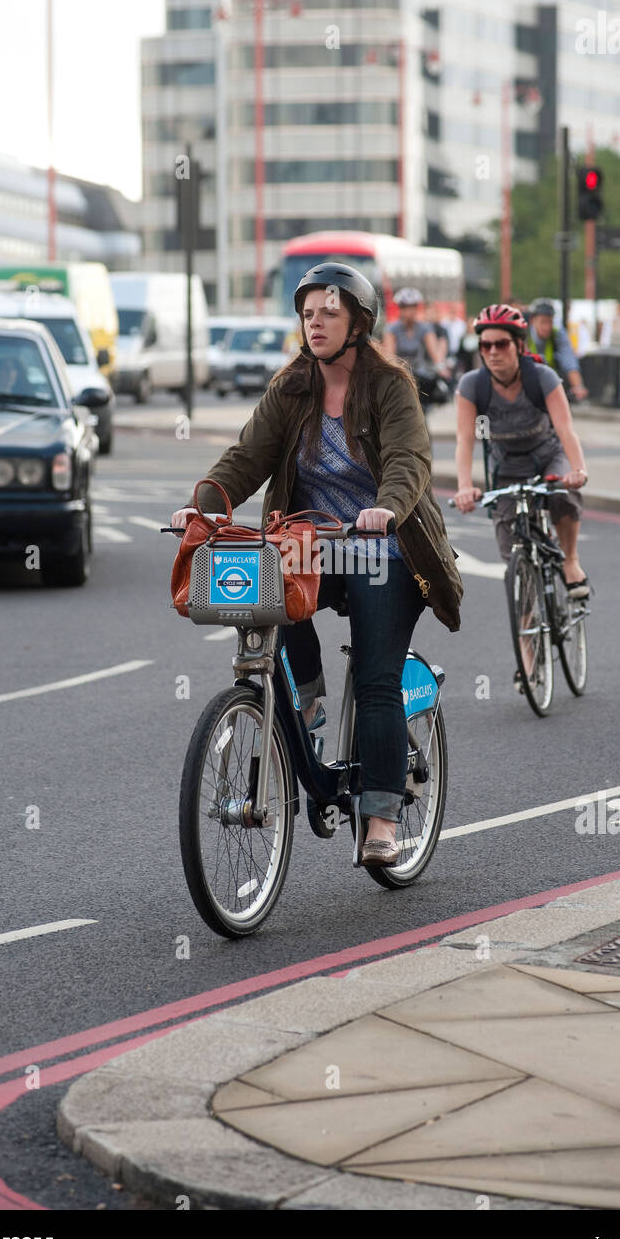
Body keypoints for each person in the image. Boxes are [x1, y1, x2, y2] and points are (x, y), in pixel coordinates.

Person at [170, 263, 462, 867]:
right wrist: (201, 507)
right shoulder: (292, 387)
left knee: (379, 678)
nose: (316, 323)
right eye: (308, 314)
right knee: (264, 589)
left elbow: (409, 460)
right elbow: (244, 460)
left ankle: (380, 815)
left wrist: (385, 508)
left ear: (358, 322)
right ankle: (309, 699)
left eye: (329, 313)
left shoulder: (390, 387)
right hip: (310, 544)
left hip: (384, 549)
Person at [452, 303, 590, 600]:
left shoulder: (542, 377)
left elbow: (566, 430)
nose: (492, 352)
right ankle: (528, 631)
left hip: (547, 456)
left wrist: (578, 470)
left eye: (501, 344)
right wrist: (464, 487)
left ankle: (570, 560)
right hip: (507, 466)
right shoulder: (472, 385)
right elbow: (465, 440)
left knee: (563, 495)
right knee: (510, 550)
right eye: (485, 345)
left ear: (519, 345)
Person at [381, 288, 447, 411]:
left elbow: (435, 353)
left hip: (420, 374)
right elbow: (389, 357)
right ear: (400, 309)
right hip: (400, 374)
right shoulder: (392, 329)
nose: (409, 311)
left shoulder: (424, 328)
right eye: (405, 307)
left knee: (431, 397)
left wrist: (441, 367)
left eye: (413, 307)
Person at [526, 299, 588, 401]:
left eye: (550, 322)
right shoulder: (524, 335)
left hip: (551, 385)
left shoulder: (558, 334)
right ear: (533, 320)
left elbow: (569, 361)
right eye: (543, 322)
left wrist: (578, 386)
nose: (547, 327)